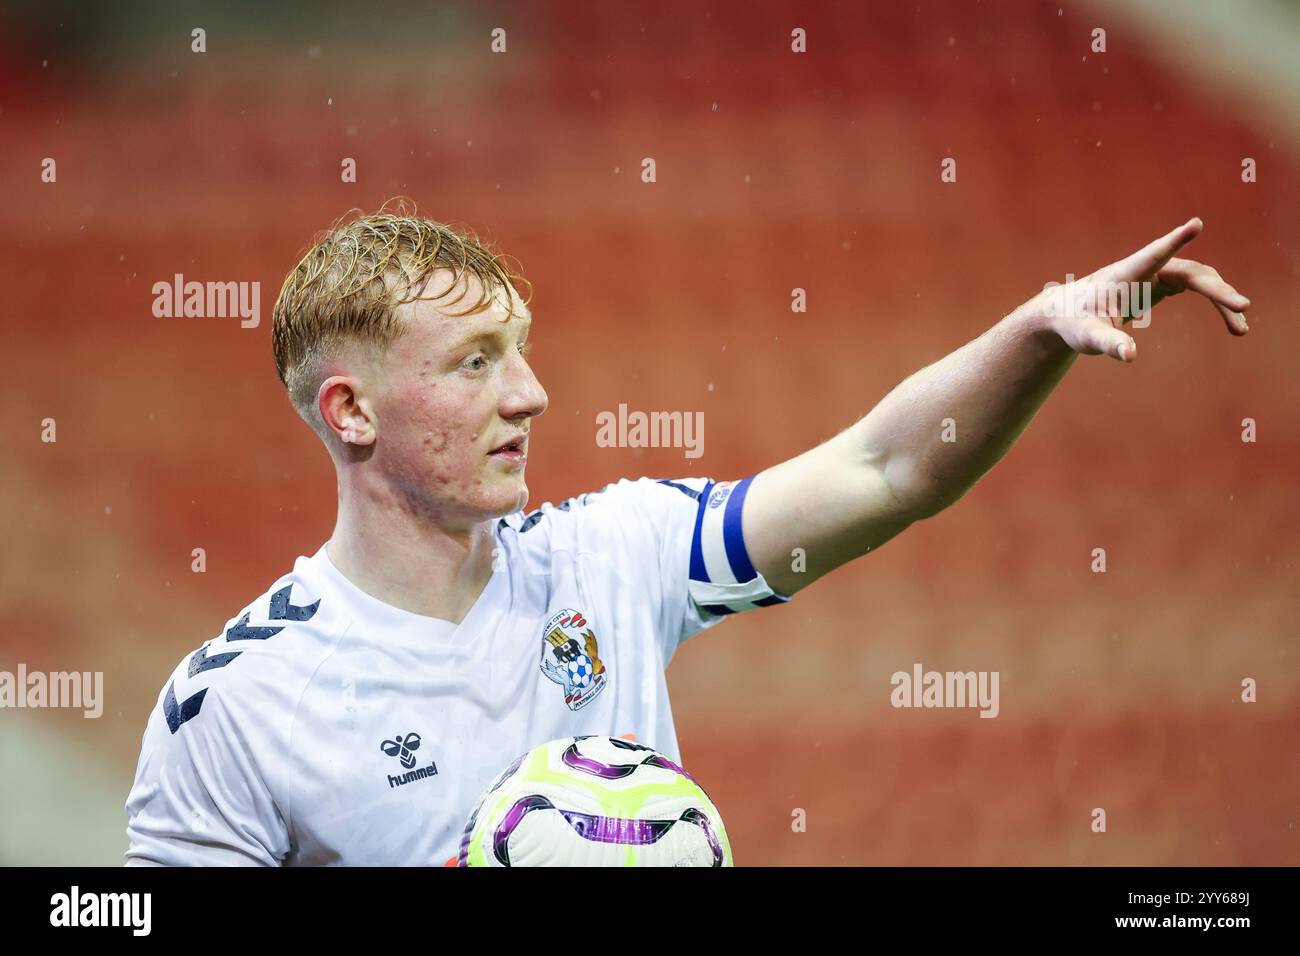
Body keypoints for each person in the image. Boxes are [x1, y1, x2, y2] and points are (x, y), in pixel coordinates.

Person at [124, 204, 1250, 865]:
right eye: (475, 363)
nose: (532, 394)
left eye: (518, 348)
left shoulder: (614, 552)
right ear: (352, 412)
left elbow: (885, 467)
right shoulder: (231, 708)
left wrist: (1038, 330)